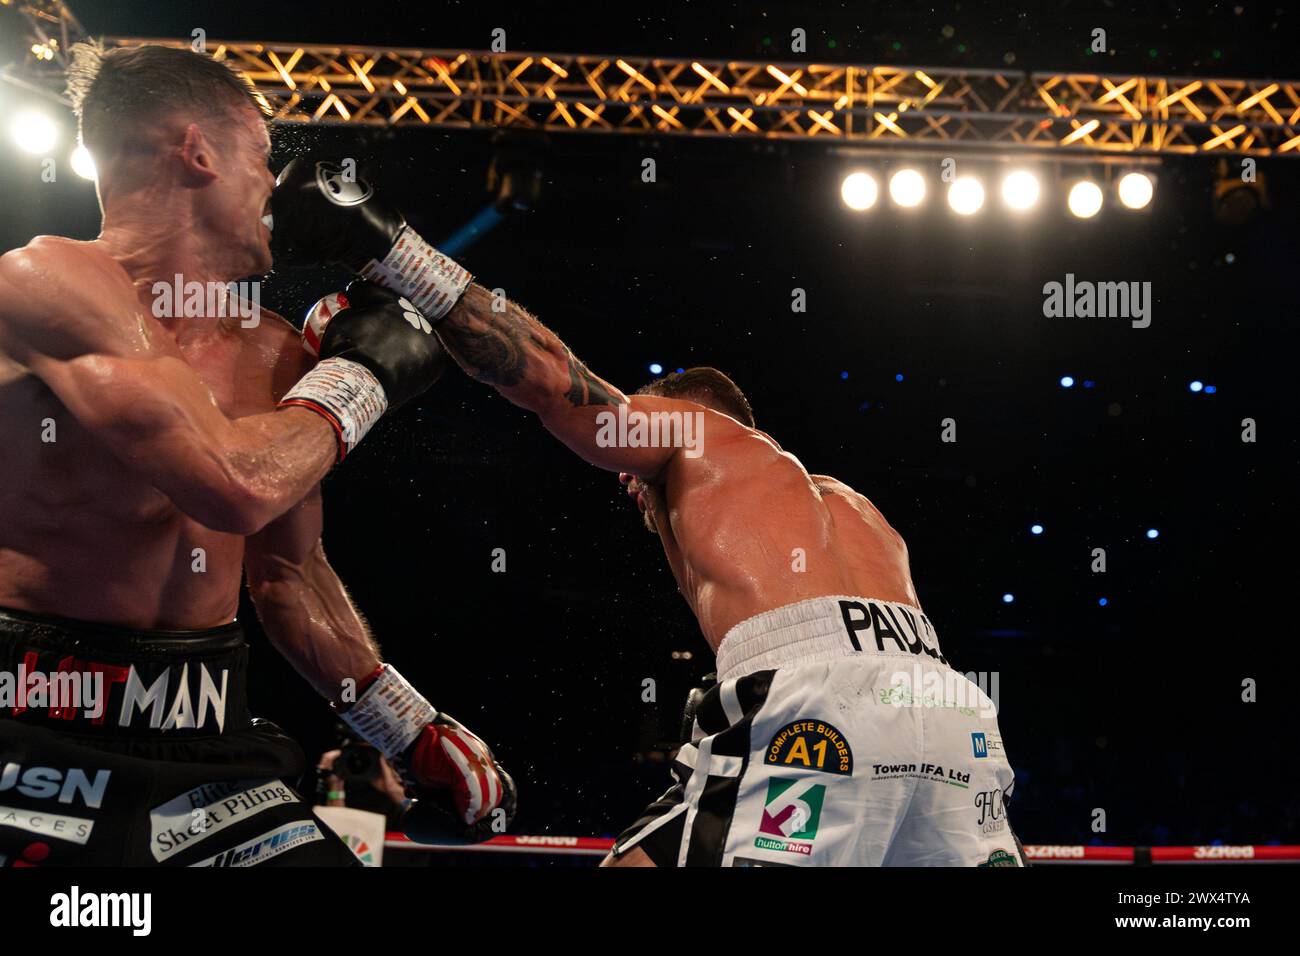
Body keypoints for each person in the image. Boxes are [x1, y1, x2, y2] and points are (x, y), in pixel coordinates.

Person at [268, 164, 1025, 867]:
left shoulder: (698, 435)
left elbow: (549, 381)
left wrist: (388, 247)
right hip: (950, 712)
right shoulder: (862, 512)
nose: (629, 483)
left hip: (815, 705)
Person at [0, 42, 511, 867]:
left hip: (206, 748)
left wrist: (412, 730)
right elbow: (229, 484)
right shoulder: (45, 281)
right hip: (31, 734)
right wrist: (364, 376)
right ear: (198, 150)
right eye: (263, 158)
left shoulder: (273, 352)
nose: (275, 187)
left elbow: (288, 573)